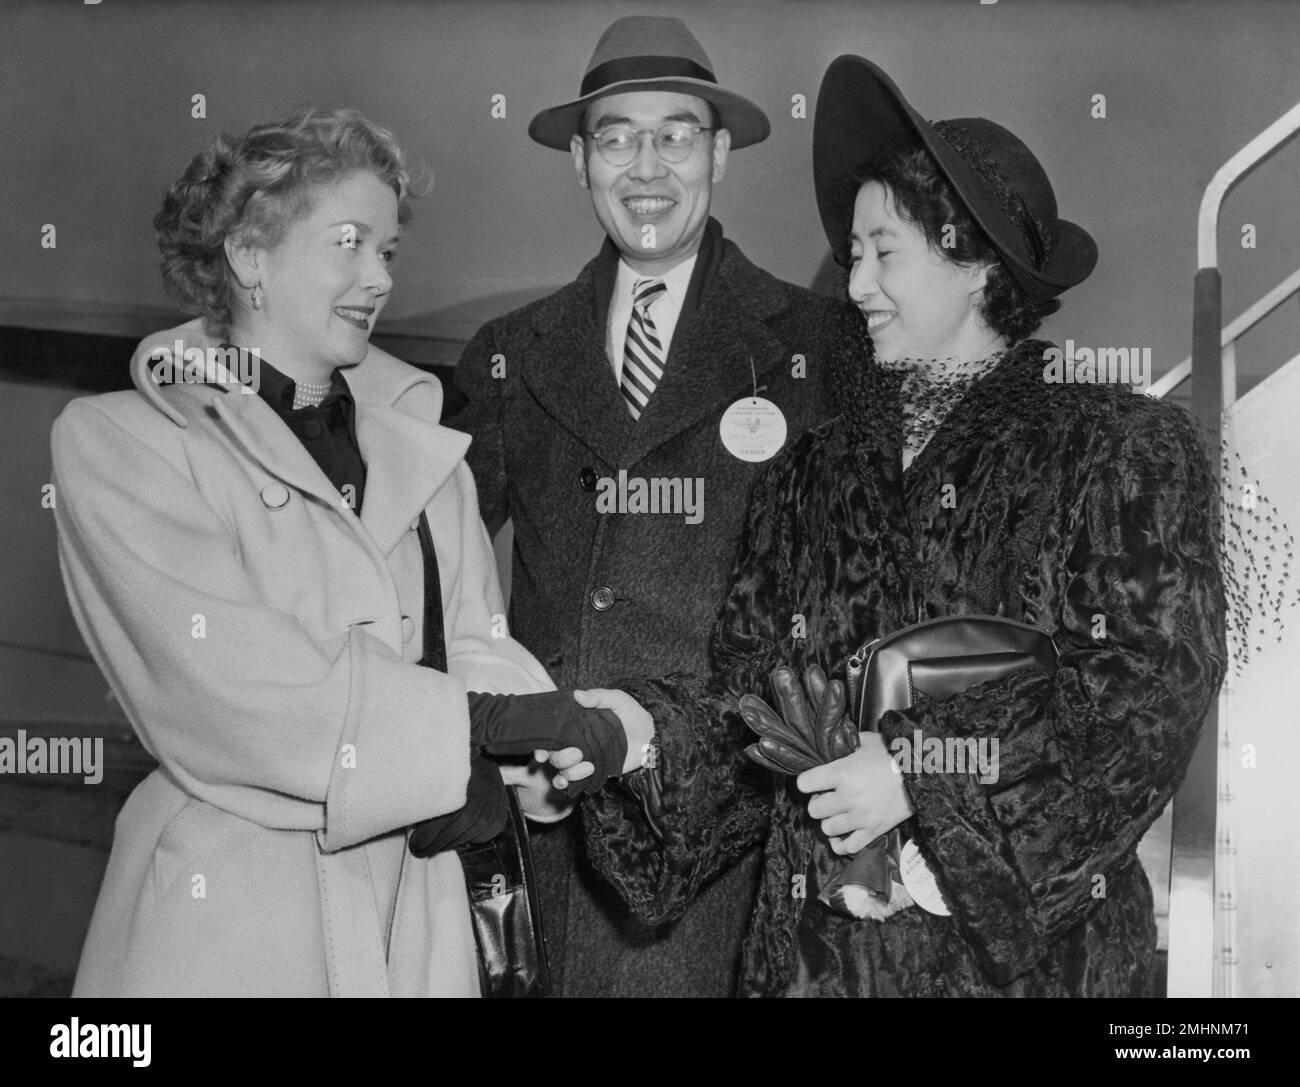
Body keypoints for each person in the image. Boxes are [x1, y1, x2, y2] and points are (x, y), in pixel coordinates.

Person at [581, 55, 1227, 997]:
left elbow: (1143, 698)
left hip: (1028, 972)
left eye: (885, 252)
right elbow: (749, 712)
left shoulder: (1118, 448)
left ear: (973, 264)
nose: (855, 287)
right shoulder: (810, 471)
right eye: (852, 256)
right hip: (815, 964)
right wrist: (630, 736)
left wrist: (923, 773)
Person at [53, 106, 649, 997]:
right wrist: (472, 733)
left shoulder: (421, 444)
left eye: (388, 252)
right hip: (227, 920)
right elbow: (231, 687)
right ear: (250, 257)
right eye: (350, 243)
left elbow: (472, 639)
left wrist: (548, 747)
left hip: (416, 917)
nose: (378, 277)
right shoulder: (121, 444)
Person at [447, 14, 857, 1000]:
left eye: (674, 135)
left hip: (720, 828)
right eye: (618, 137)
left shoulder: (817, 344)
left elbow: (853, 596)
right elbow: (436, 570)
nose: (647, 166)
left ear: (717, 153)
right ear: (580, 161)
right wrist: (476, 717)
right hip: (546, 819)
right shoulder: (508, 352)